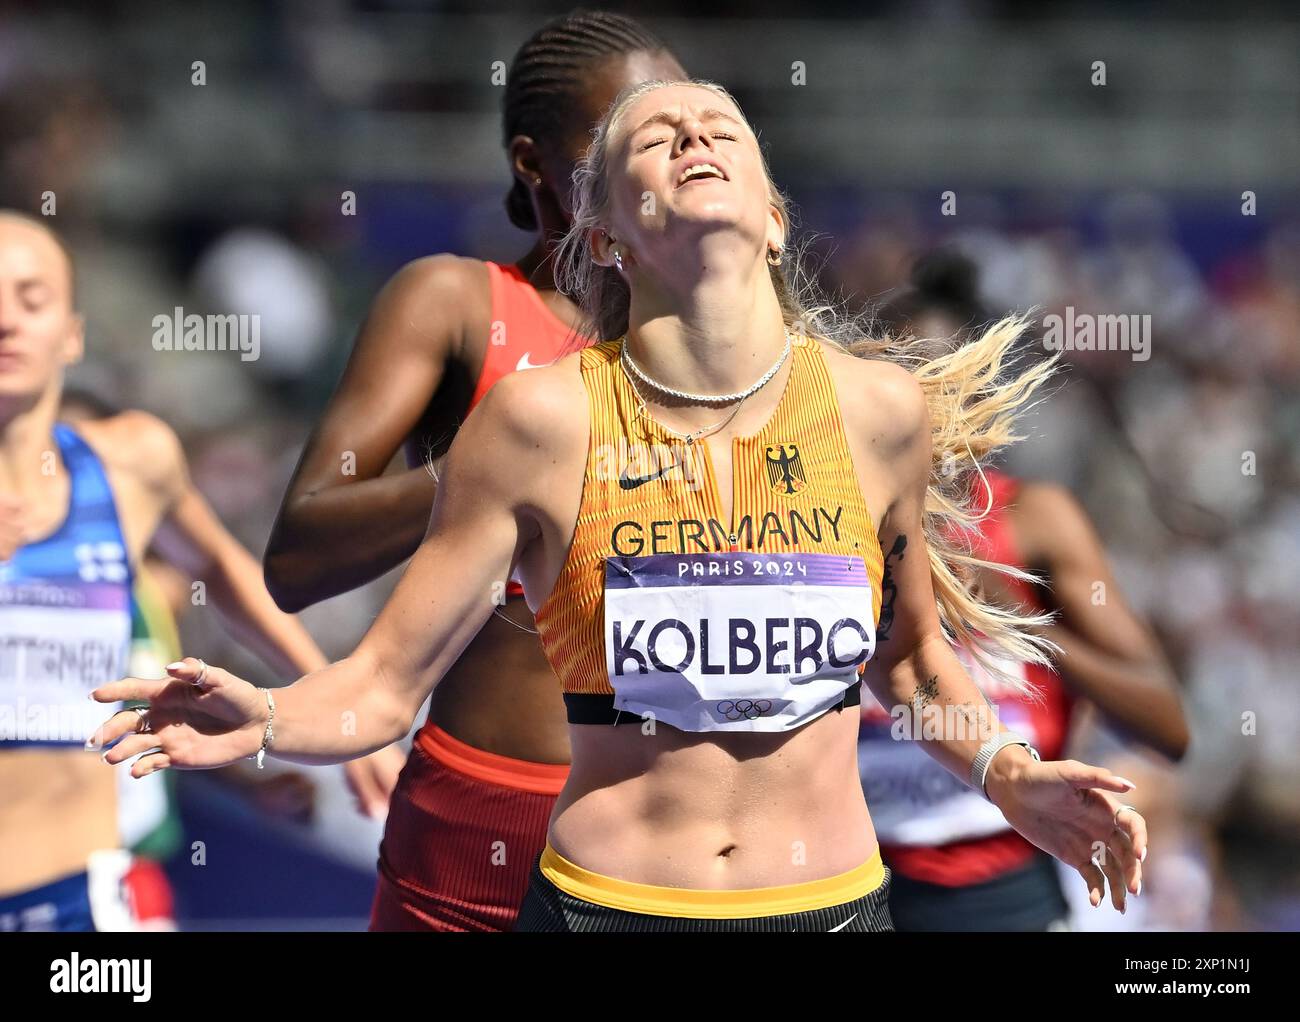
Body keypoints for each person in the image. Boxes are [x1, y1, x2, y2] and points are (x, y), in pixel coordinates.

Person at [92, 79, 1147, 932]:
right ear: (600, 234)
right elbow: (381, 683)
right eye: (656, 135)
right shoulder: (534, 422)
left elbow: (910, 661)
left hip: (828, 909)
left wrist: (1007, 772)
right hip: (606, 906)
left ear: (774, 221)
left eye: (721, 125)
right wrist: (269, 715)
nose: (693, 132)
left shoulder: (878, 412)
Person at [260, 11, 686, 931]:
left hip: (673, 825)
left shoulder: (721, 349)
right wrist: (501, 464)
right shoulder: (454, 302)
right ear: (535, 163)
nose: (651, 162)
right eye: (618, 135)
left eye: (671, 129)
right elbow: (298, 556)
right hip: (480, 813)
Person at [0, 210, 329, 931]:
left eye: (31, 299)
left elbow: (222, 566)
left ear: (73, 330)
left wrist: (329, 702)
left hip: (77, 899)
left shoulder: (131, 464)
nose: (7, 323)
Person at [857, 250, 1188, 931]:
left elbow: (1167, 726)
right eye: (898, 380)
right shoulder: (835, 520)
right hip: (866, 880)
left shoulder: (1033, 521)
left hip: (1008, 885)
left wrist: (1021, 622)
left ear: (982, 393)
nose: (917, 406)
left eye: (941, 382)